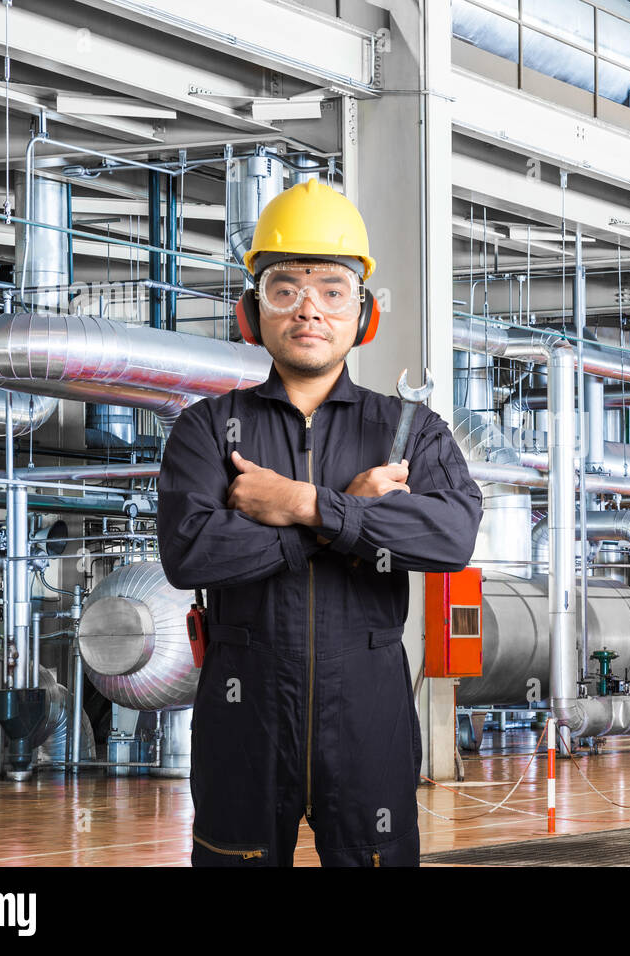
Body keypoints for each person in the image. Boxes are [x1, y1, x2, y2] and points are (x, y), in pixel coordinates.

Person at [156, 179, 483, 866]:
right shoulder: (206, 429)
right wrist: (355, 513)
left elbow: (450, 538)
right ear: (253, 312)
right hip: (244, 717)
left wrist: (306, 504)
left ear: (362, 314)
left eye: (333, 290)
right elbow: (191, 556)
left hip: (368, 717)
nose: (309, 309)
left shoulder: (409, 431)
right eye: (285, 290)